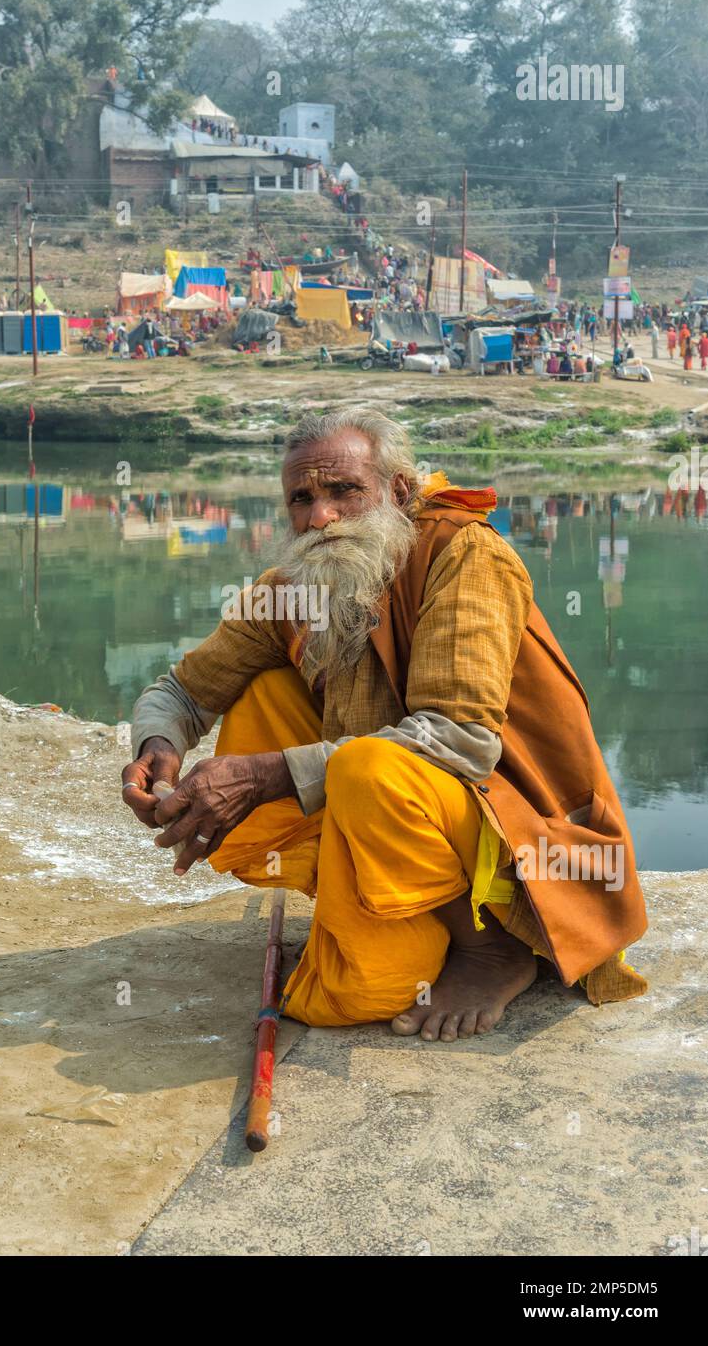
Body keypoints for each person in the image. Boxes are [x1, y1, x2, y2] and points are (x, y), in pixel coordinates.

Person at [122, 409, 648, 1036]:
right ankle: (384, 898)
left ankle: (490, 944)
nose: (321, 517)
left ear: (399, 492)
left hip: (511, 837)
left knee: (366, 780)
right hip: (394, 821)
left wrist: (264, 776)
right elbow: (183, 689)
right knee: (263, 695)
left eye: (344, 490)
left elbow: (458, 738)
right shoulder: (292, 589)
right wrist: (159, 747)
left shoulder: (464, 555)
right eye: (302, 499)